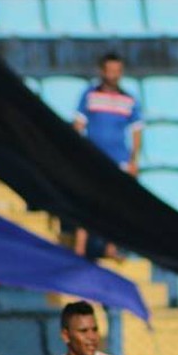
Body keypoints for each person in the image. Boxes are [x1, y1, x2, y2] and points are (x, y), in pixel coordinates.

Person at [71, 52, 144, 261]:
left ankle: (111, 247)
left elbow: (136, 132)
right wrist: (75, 152)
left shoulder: (129, 99)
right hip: (92, 159)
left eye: (117, 71)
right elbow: (78, 124)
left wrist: (133, 160)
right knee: (85, 202)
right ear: (102, 71)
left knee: (116, 205)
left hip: (118, 160)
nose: (113, 75)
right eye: (110, 70)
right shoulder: (89, 95)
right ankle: (79, 247)